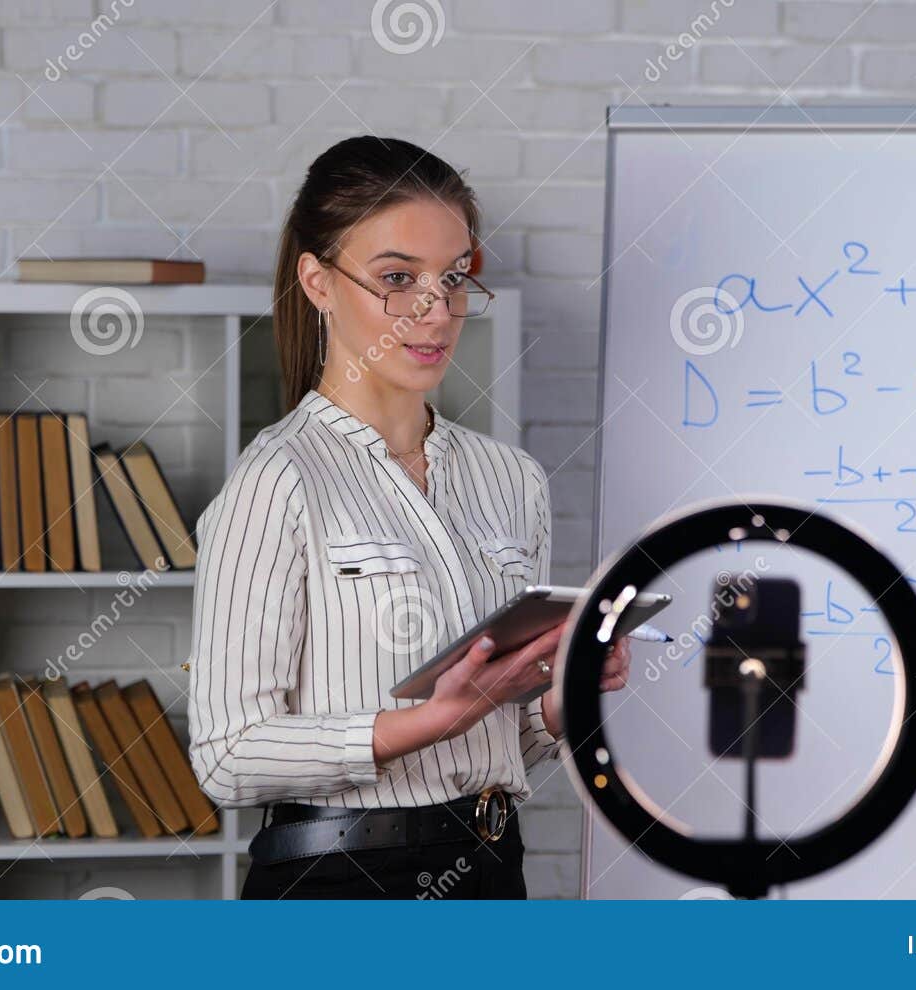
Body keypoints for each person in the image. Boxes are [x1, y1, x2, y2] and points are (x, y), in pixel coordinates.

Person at [186, 135, 630, 899]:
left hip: (491, 872)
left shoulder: (511, 480)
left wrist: (560, 702)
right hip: (340, 887)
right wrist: (430, 720)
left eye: (454, 279)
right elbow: (227, 755)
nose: (436, 312)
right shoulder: (278, 480)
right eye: (398, 278)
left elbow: (501, 741)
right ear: (318, 282)